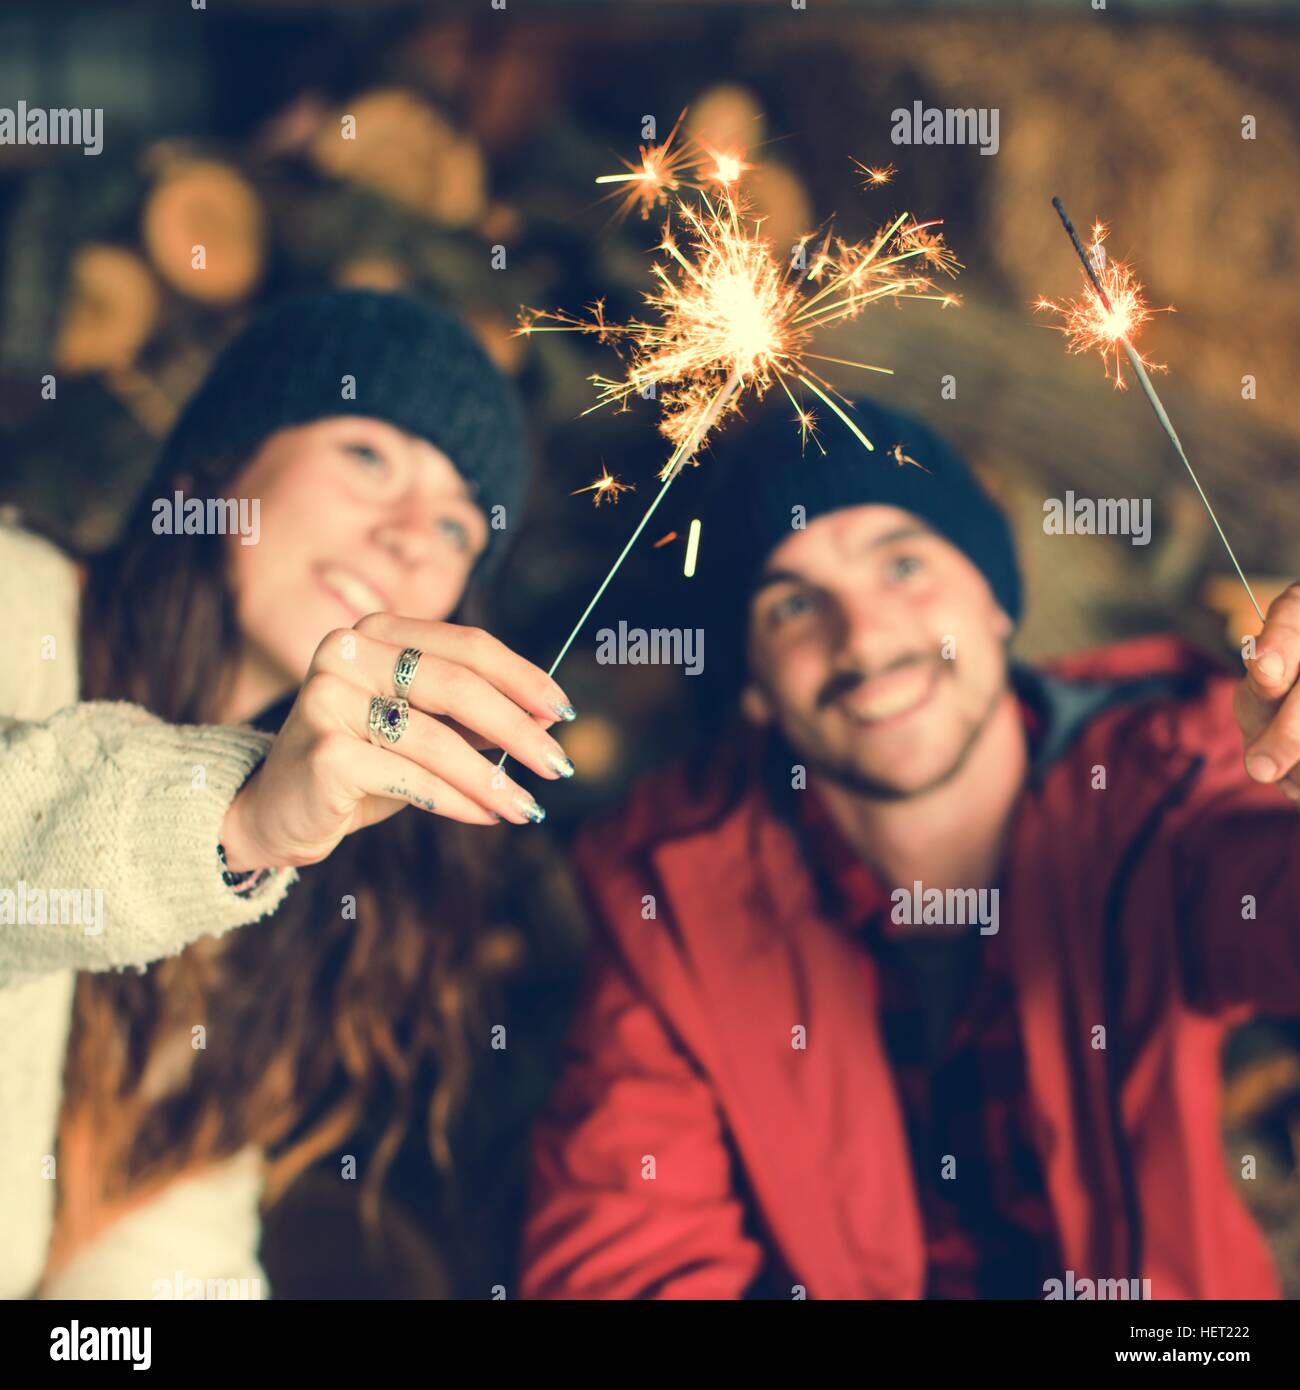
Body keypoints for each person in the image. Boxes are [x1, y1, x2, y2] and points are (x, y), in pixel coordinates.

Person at [519, 397, 1300, 1300]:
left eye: (900, 563)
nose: (868, 638)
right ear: (756, 692)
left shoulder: (1162, 780)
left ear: (998, 599)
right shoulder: (670, 891)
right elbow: (625, 1260)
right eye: (793, 604)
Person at [0, 288, 578, 1299]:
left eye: (456, 523)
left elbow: (158, 1249)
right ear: (224, 458)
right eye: (369, 457)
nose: (409, 535)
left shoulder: (333, 836)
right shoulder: (17, 600)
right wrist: (230, 816)